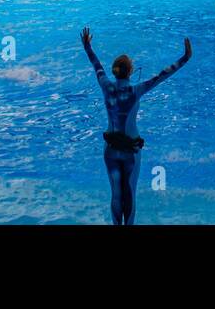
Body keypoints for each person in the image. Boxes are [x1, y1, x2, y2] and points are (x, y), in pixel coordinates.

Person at [81, 27, 192, 226]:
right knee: (130, 192)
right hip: (131, 151)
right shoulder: (136, 90)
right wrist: (185, 57)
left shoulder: (106, 86)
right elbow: (163, 74)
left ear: (115, 71)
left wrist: (87, 46)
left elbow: (96, 65)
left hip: (111, 150)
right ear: (130, 71)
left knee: (116, 193)